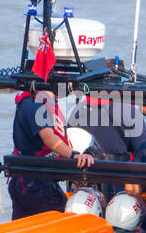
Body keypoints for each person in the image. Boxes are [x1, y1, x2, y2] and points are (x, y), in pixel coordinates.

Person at [9, 89, 94, 220]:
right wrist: (75, 155)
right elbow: (48, 136)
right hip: (34, 182)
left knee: (23, 229)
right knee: (62, 221)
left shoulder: (38, 102)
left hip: (27, 179)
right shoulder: (36, 103)